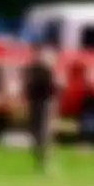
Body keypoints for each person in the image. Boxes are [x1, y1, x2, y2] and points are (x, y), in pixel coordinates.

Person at [24, 38, 62, 174]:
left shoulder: (46, 68)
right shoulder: (33, 68)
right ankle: (40, 163)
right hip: (35, 102)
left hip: (45, 103)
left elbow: (55, 87)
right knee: (37, 133)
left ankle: (45, 163)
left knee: (44, 133)